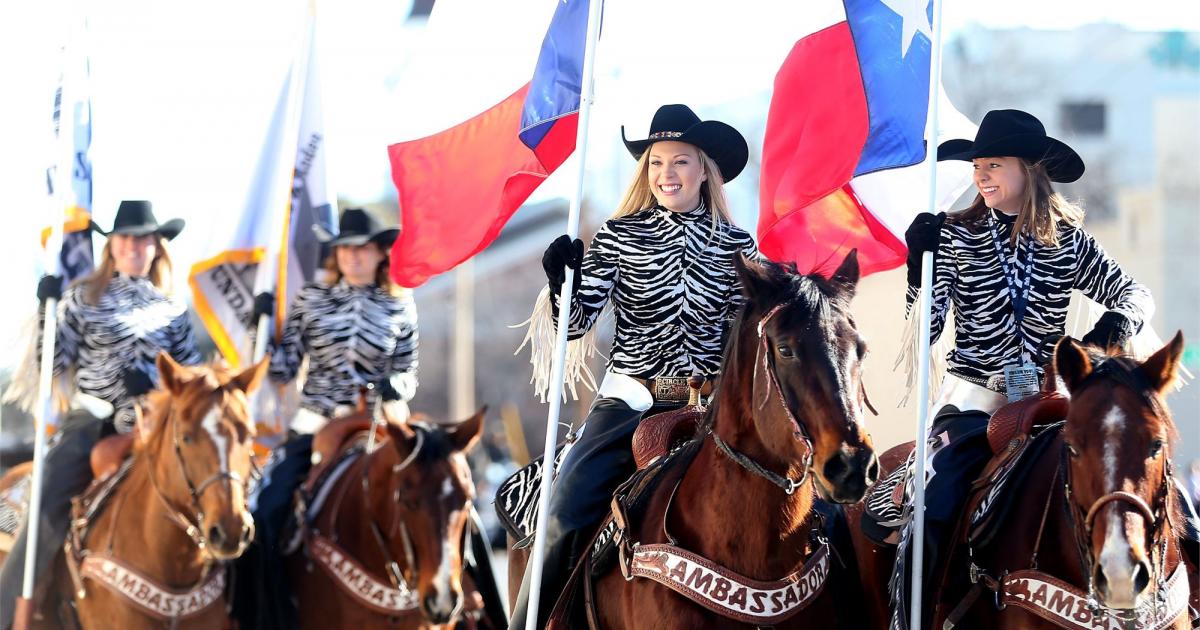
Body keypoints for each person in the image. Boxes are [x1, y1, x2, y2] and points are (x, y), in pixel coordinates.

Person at [895, 109, 1196, 628]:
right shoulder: (953, 237)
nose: (981, 175)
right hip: (973, 401)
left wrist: (1120, 319)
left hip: (1051, 400)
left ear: (1030, 169)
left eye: (994, 164)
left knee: (1176, 503)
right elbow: (925, 326)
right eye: (977, 166)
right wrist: (917, 269)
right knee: (932, 503)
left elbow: (1134, 291)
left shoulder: (1068, 240)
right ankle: (913, 618)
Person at [509, 104, 758, 629]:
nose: (666, 173)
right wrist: (562, 284)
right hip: (631, 401)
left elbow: (748, 338)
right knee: (565, 510)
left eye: (680, 161)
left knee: (804, 499)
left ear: (705, 171)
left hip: (714, 405)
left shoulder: (738, 245)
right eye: (656, 162)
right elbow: (575, 325)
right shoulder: (620, 234)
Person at [0, 200, 201, 629]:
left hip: (157, 426)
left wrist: (156, 390)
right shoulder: (82, 298)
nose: (133, 246)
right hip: (94, 420)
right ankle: (13, 612)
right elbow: (52, 365)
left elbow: (191, 377)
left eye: (143, 238)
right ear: (112, 246)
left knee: (217, 495)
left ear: (157, 247)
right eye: (125, 238)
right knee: (48, 500)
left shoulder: (173, 309)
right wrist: (46, 312)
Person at [235, 207, 420, 629]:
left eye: (364, 249)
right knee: (264, 508)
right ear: (335, 255)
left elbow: (409, 371)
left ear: (380, 255)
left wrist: (397, 386)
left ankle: (470, 605)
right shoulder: (310, 301)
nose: (353, 257)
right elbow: (281, 369)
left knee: (439, 495)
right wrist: (259, 325)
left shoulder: (400, 307)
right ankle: (261, 613)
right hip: (315, 422)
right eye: (345, 249)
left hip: (377, 424)